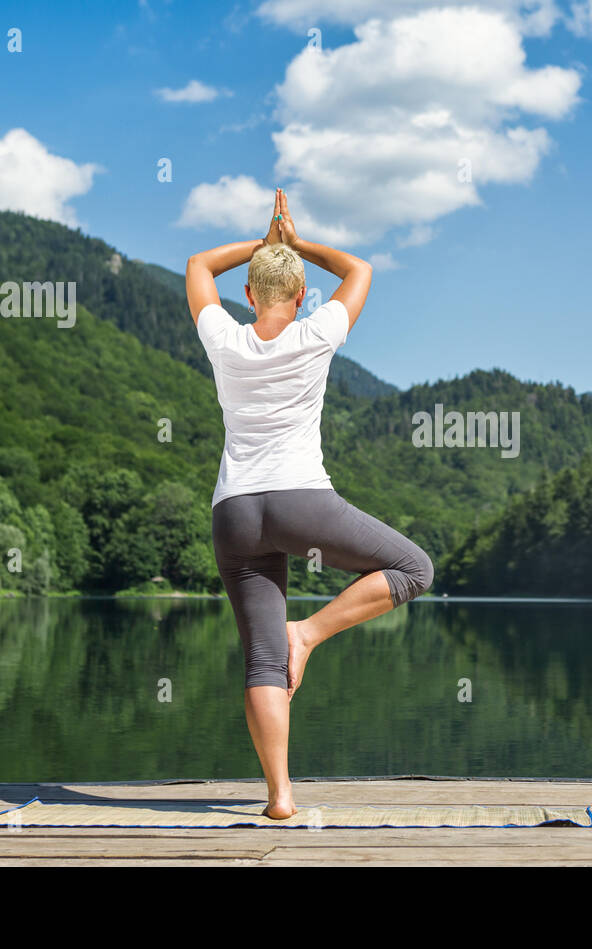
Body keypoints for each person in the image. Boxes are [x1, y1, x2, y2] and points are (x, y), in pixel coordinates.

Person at [185, 189, 434, 819]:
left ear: (246, 294)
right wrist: (292, 243)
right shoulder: (317, 331)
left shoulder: (223, 340)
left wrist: (261, 245)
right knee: (414, 569)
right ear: (301, 298)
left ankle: (280, 797)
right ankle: (311, 632)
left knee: (262, 659)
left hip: (235, 511)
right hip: (302, 502)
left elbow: (196, 267)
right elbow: (360, 271)